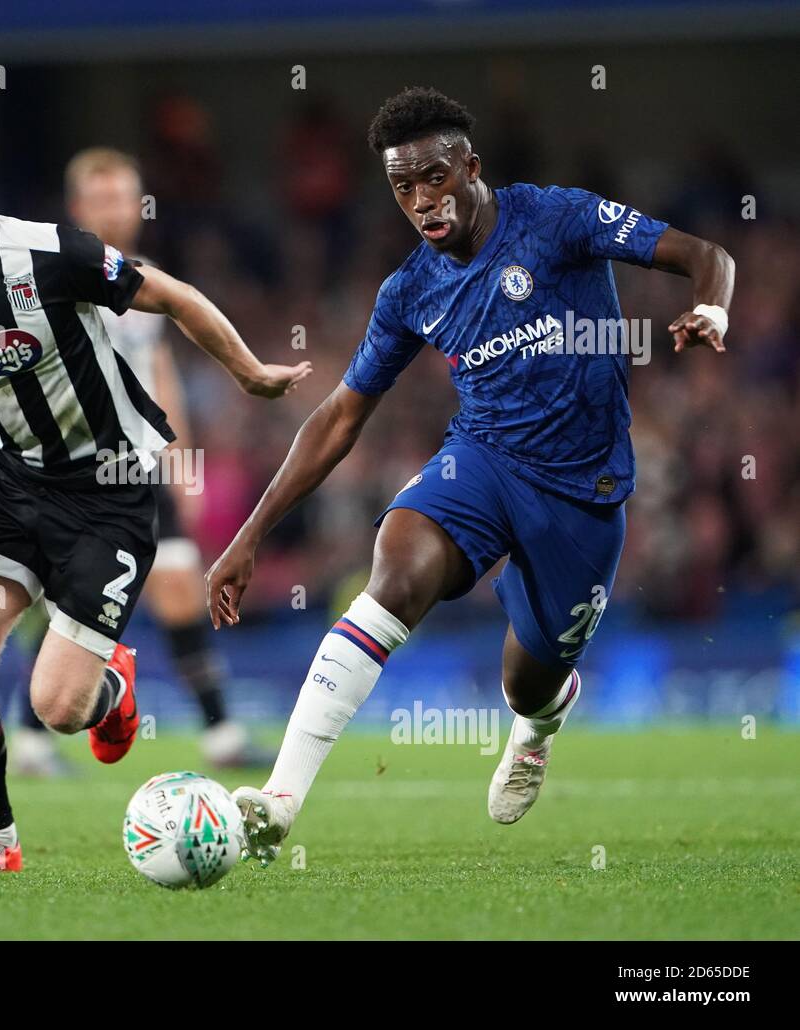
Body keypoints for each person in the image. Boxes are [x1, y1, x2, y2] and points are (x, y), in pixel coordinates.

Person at [205, 87, 734, 864]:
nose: (421, 201)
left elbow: (704, 256)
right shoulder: (409, 292)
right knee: (395, 569)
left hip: (583, 493)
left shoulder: (557, 218)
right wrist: (251, 534)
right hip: (481, 461)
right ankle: (279, 802)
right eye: (402, 187)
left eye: (434, 178)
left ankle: (539, 722)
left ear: (470, 167)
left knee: (530, 679)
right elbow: (341, 416)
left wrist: (713, 310)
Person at [0, 108, 310, 874]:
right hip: (8, 482)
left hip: (110, 486)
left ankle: (112, 685)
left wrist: (248, 372)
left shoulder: (47, 252)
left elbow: (171, 294)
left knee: (58, 709)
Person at [10, 147, 274, 778]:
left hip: (137, 466)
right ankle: (32, 742)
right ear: (78, 209)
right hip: (69, 468)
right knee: (62, 603)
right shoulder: (44, 275)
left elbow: (156, 367)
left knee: (181, 585)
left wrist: (179, 455)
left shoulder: (141, 274)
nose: (115, 210)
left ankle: (221, 734)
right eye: (100, 199)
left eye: (125, 197)